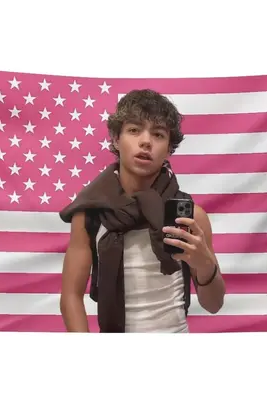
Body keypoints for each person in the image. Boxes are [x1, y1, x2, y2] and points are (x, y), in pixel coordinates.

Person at [59, 89, 226, 333]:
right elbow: (70, 297)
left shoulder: (191, 216)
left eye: (158, 134)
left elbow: (213, 304)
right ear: (116, 139)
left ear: (169, 149)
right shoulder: (90, 215)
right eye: (134, 130)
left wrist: (205, 265)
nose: (146, 141)